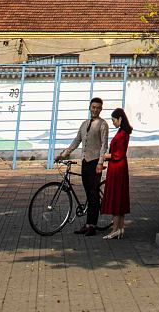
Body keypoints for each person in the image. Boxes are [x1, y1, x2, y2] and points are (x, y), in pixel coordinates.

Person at [57, 97, 109, 236]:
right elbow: (77, 140)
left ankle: (92, 225)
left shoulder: (103, 124)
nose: (95, 110)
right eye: (93, 107)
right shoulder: (84, 124)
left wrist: (100, 163)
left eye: (98, 107)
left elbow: (104, 144)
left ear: (101, 109)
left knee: (93, 194)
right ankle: (87, 224)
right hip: (85, 161)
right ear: (90, 107)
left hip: (95, 162)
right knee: (88, 193)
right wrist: (64, 154)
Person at [99, 107, 132, 239]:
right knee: (120, 196)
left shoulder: (122, 134)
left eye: (114, 120)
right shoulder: (123, 132)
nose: (113, 123)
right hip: (118, 166)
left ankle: (115, 229)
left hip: (117, 167)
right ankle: (120, 228)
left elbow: (118, 154)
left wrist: (105, 156)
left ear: (120, 119)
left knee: (116, 196)